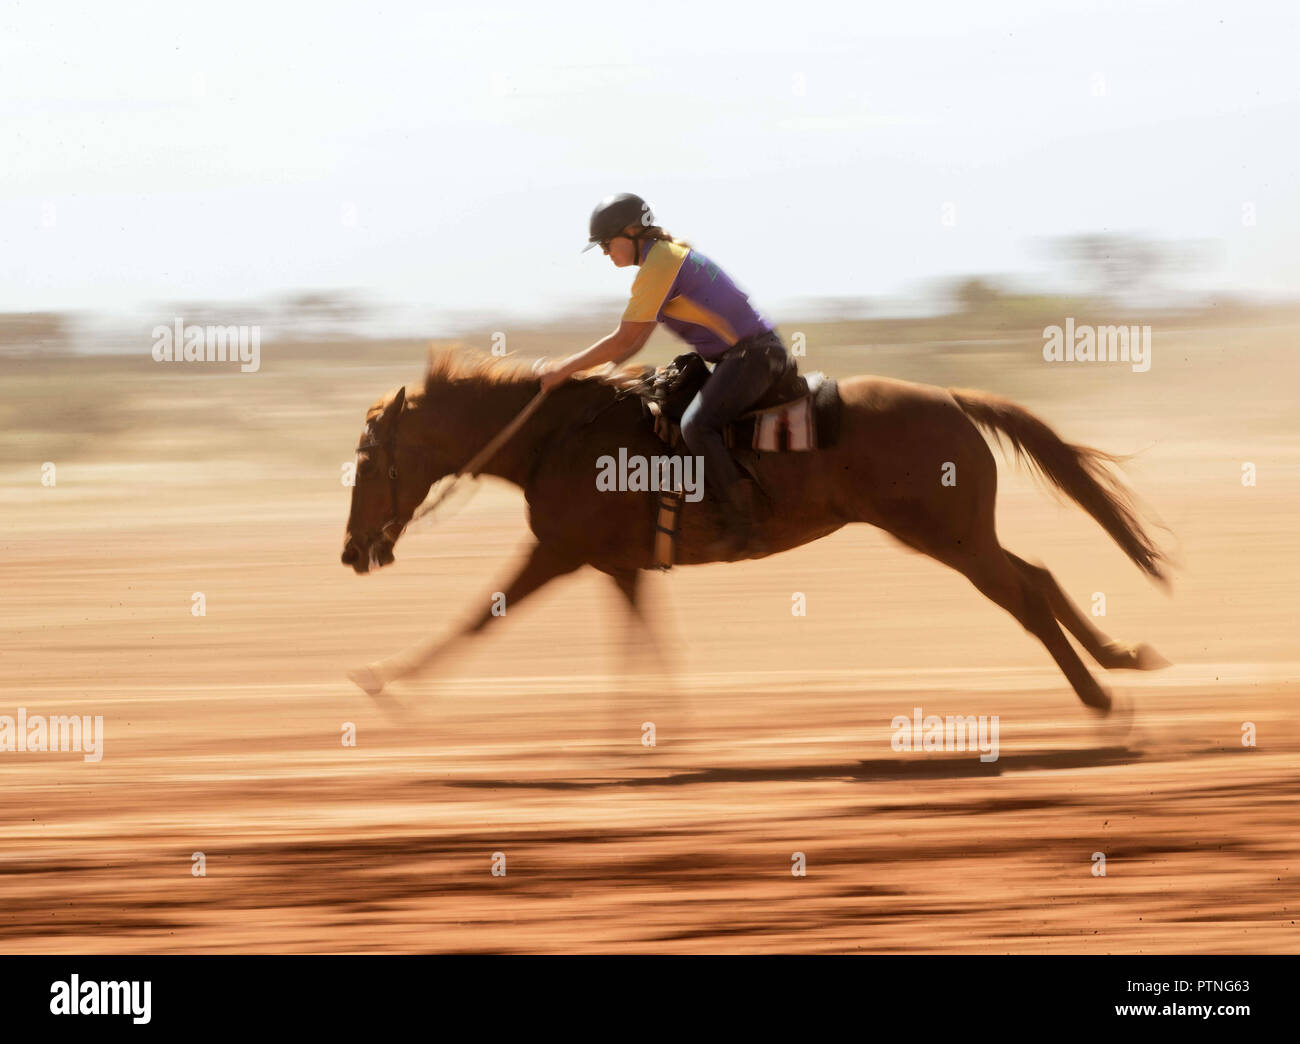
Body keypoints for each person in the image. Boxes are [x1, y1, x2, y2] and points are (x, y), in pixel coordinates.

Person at [534, 193, 793, 552]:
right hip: (747, 356)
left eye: (607, 244)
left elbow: (624, 336)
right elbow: (635, 339)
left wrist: (564, 369)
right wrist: (608, 371)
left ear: (631, 233)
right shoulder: (661, 259)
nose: (606, 252)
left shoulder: (659, 265)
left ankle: (745, 524)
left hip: (753, 356)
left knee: (695, 425)